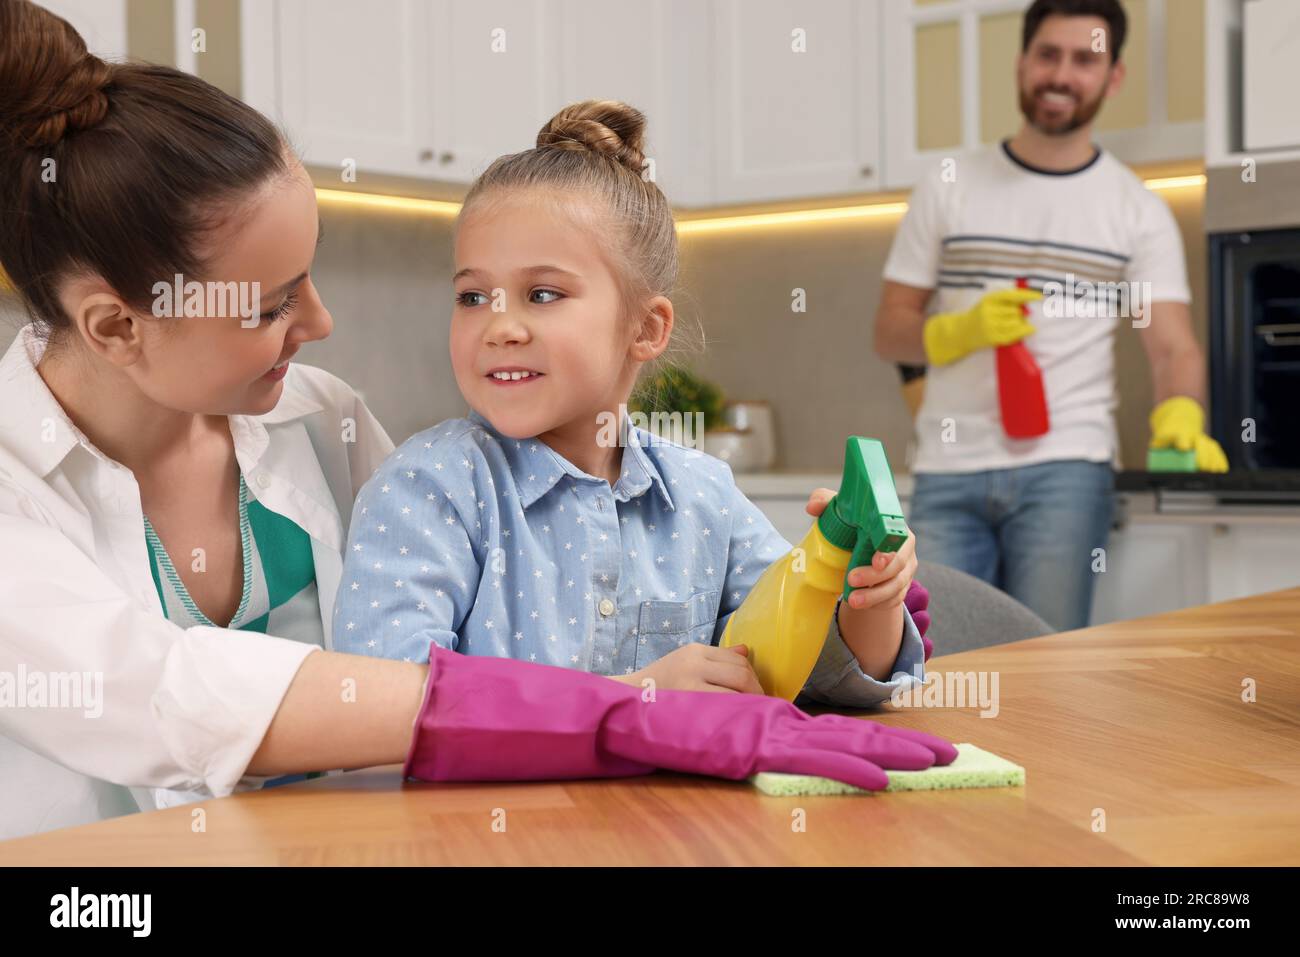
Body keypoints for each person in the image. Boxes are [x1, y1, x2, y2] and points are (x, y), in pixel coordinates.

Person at [0, 0, 953, 839]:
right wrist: (617, 708)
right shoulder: (17, 495)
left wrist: (853, 603)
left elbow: (783, 650)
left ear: (646, 327)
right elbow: (184, 696)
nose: (323, 326)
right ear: (118, 325)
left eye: (544, 292)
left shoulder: (321, 418)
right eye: (271, 304)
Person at [334, 100, 933, 706]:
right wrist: (631, 698)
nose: (500, 326)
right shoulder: (425, 489)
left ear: (645, 329)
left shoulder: (705, 495)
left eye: (541, 293)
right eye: (471, 296)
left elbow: (821, 685)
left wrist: (868, 600)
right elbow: (380, 707)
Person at [872, 0, 1227, 632]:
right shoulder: (949, 185)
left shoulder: (1135, 209)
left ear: (1112, 76)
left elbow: (1172, 347)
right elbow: (889, 327)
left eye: (1084, 59)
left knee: (1051, 663)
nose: (1062, 75)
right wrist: (957, 330)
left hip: (1067, 469)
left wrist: (1182, 411)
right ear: (1022, 62)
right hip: (949, 470)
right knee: (934, 659)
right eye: (1048, 54)